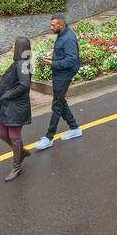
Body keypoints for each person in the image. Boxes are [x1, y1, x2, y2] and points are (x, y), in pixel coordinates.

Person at [34, 14, 82, 150]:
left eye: (53, 25)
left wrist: (53, 63)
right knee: (60, 102)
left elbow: (71, 60)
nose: (51, 28)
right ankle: (74, 128)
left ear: (61, 25)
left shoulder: (68, 38)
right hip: (59, 74)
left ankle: (49, 137)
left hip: (64, 76)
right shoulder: (62, 34)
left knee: (57, 106)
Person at [0, 37, 33, 182]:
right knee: (2, 134)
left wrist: (8, 95)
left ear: (19, 48)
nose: (13, 47)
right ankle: (22, 151)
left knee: (14, 136)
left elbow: (24, 84)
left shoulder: (22, 64)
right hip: (9, 106)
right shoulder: (20, 63)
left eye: (15, 46)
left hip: (16, 106)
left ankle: (16, 168)